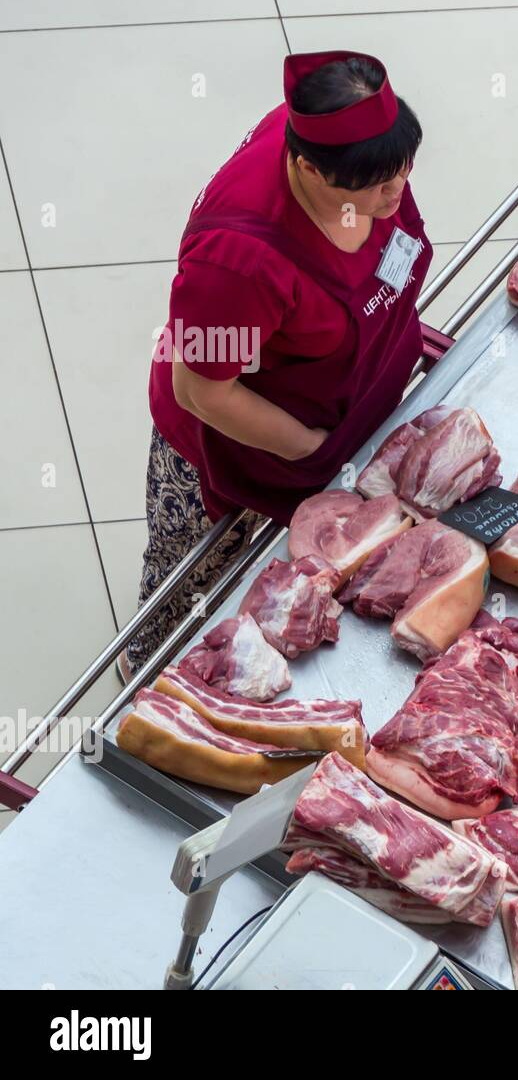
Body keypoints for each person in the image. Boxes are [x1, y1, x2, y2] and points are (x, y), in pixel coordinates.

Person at [124, 51, 432, 678]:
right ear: (307, 167)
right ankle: (146, 672)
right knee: (195, 579)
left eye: (402, 170)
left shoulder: (361, 156)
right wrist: (312, 450)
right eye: (377, 184)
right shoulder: (238, 259)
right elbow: (202, 390)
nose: (395, 192)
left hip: (349, 413)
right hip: (244, 450)